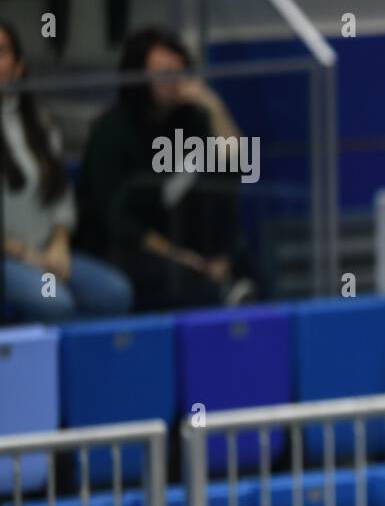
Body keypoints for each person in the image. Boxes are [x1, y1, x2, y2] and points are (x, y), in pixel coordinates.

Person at [76, 27, 255, 310]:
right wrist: (177, 255)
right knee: (193, 282)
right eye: (164, 73)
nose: (174, 81)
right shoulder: (110, 132)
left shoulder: (191, 119)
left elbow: (237, 165)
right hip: (128, 247)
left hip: (184, 237)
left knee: (251, 257)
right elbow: (116, 219)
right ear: (139, 77)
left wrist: (212, 104)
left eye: (179, 71)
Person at [1, 20, 133, 322]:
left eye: (0, 52)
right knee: (55, 302)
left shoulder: (40, 123)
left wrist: (59, 245)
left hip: (47, 250)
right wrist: (26, 255)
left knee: (115, 292)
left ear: (19, 66)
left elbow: (60, 195)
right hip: (10, 258)